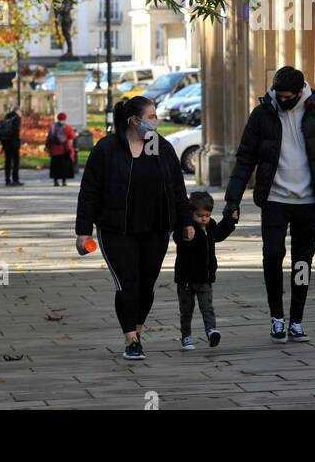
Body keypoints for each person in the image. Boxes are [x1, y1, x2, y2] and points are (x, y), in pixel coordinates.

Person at [223, 66, 315, 344]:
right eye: (277, 95)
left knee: (302, 263)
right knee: (272, 255)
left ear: (299, 91)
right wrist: (232, 199)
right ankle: (277, 318)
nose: (281, 101)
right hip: (274, 200)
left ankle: (296, 321)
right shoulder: (262, 114)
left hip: (309, 201)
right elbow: (246, 157)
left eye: (287, 97)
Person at [75, 96, 194, 361]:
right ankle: (131, 339)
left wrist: (185, 222)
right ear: (134, 121)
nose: (156, 121)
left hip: (156, 227)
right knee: (127, 283)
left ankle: (138, 331)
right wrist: (83, 231)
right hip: (117, 229)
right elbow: (89, 192)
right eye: (151, 117)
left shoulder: (160, 148)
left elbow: (177, 189)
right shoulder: (107, 149)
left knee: (146, 284)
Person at [173, 191, 235, 351]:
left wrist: (230, 220)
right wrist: (185, 230)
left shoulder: (211, 225)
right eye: (200, 215)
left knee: (207, 306)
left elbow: (220, 234)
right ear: (191, 213)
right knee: (186, 310)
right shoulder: (186, 227)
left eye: (207, 215)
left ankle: (211, 330)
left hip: (205, 277)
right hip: (186, 278)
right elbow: (177, 237)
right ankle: (186, 335)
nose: (204, 219)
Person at [47, 112, 76, 186]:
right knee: (64, 167)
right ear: (65, 118)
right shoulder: (66, 127)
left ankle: (55, 181)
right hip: (64, 150)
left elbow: (49, 138)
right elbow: (72, 136)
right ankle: (64, 181)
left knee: (55, 167)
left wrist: (48, 147)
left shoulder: (52, 127)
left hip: (55, 150)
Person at [0, 106, 23, 186]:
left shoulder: (6, 117)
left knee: (7, 162)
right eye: (20, 111)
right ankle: (15, 180)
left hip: (6, 143)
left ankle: (7, 180)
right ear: (17, 111)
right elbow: (16, 131)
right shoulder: (17, 118)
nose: (21, 113)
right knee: (15, 162)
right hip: (14, 143)